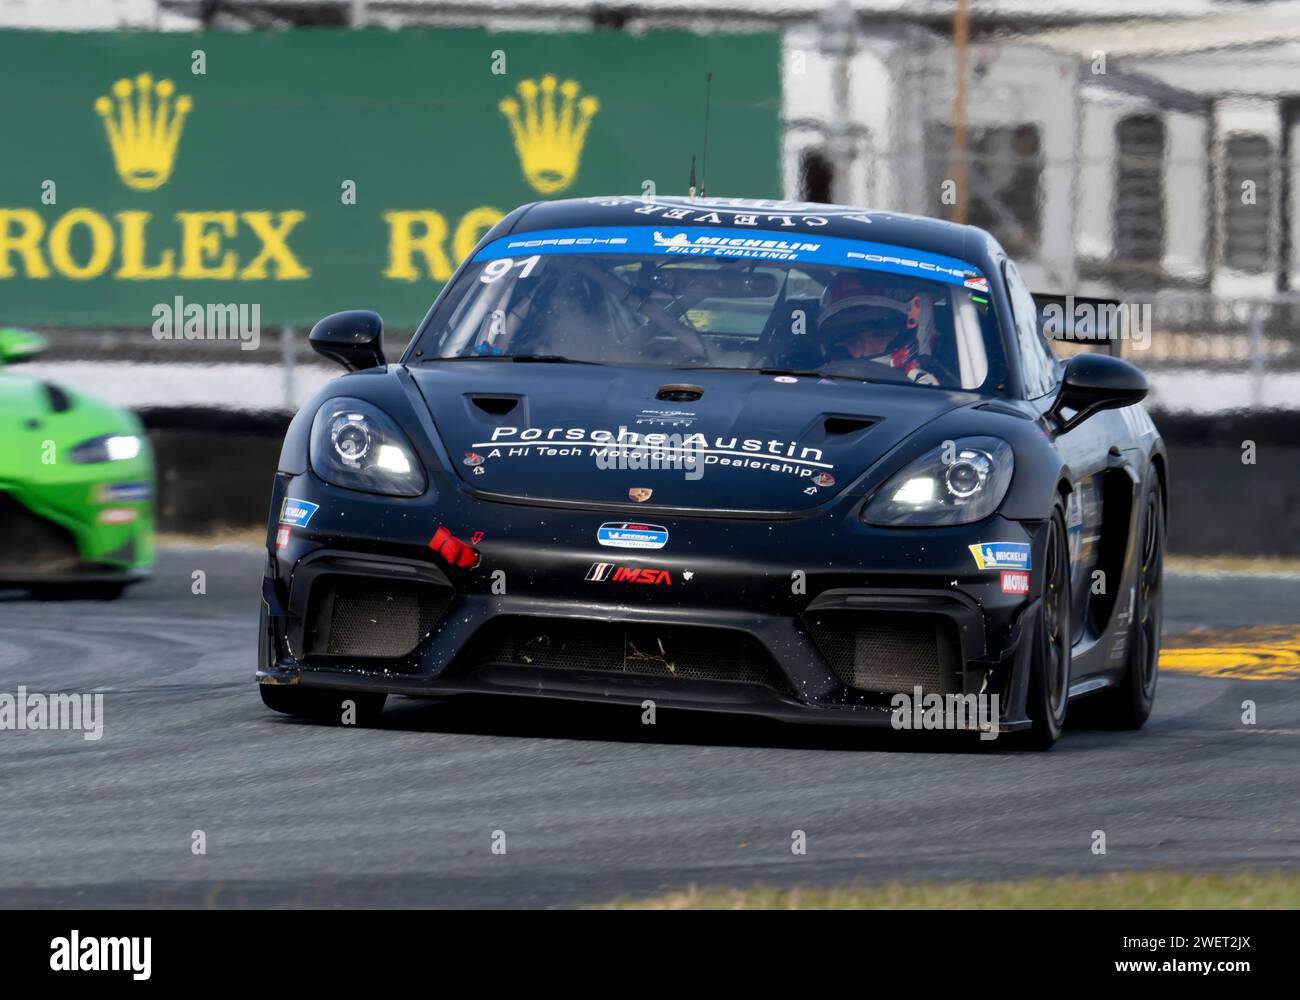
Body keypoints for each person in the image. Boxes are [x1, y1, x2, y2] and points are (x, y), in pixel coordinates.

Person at [817, 274, 945, 385]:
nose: (865, 351)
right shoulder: (817, 388)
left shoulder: (928, 395)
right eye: (852, 340)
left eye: (881, 335)